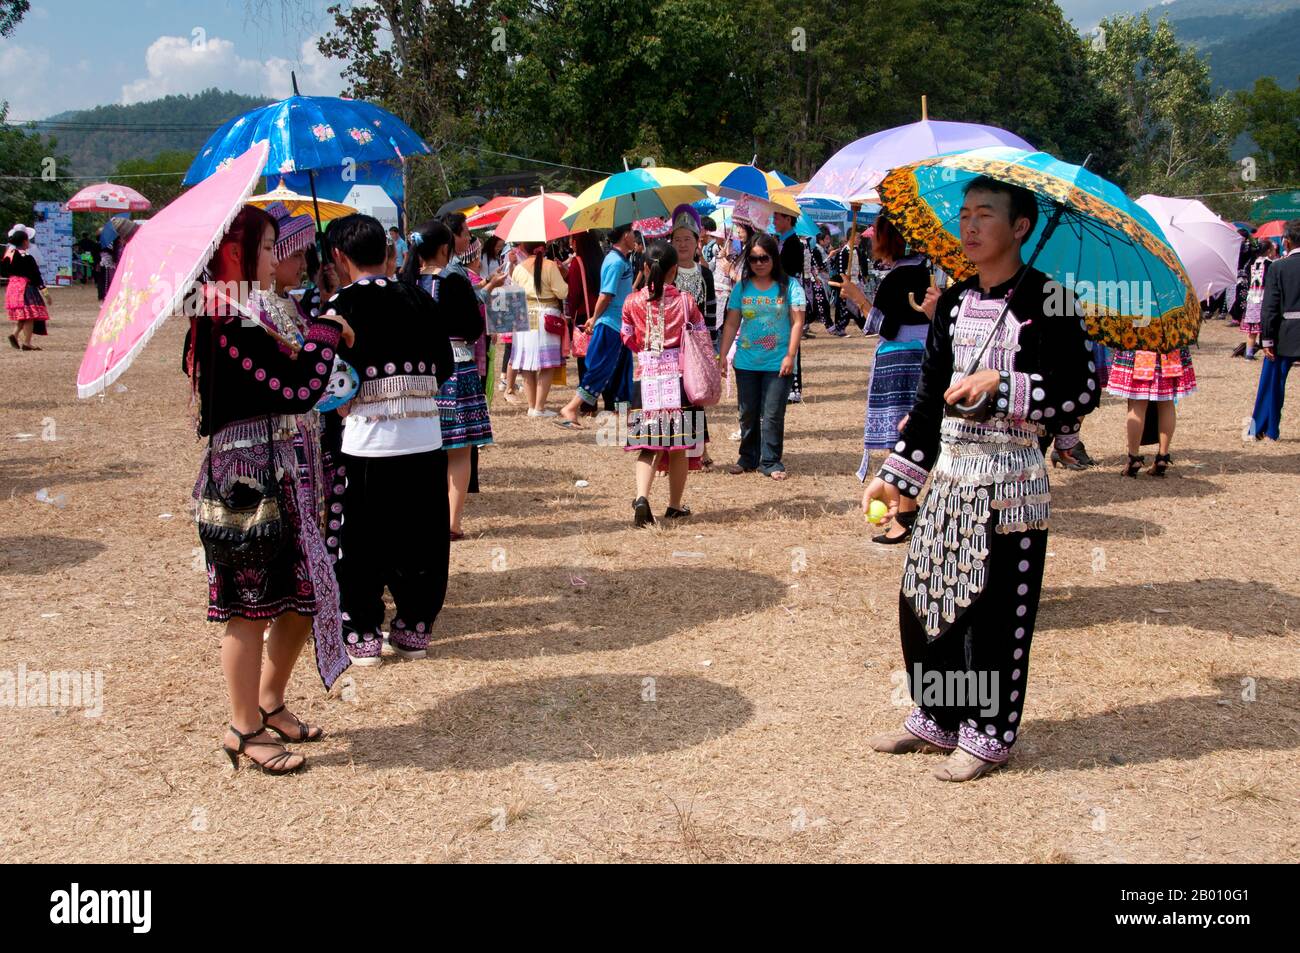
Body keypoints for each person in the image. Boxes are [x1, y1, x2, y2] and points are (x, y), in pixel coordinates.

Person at [862, 176, 1097, 781]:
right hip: (951, 477)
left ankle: (989, 733)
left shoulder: (1052, 301)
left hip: (1011, 482)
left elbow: (1080, 389)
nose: (969, 227)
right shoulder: (957, 300)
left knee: (996, 613)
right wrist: (898, 476)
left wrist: (1004, 386)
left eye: (985, 215)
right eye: (964, 215)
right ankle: (937, 715)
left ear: (1020, 227)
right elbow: (929, 397)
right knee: (926, 598)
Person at [184, 205, 353, 773]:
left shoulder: (252, 315)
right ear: (235, 251)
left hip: (286, 474)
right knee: (249, 607)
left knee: (304, 594)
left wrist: (319, 331)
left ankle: (269, 700)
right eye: (264, 247)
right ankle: (242, 726)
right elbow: (299, 387)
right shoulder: (227, 322)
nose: (275, 257)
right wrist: (329, 330)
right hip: (248, 483)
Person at [324, 214, 455, 665]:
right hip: (423, 438)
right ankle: (414, 627)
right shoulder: (420, 298)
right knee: (422, 537)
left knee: (360, 542)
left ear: (339, 257)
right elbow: (444, 366)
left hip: (367, 444)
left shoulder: (338, 307)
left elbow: (325, 380)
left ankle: (362, 631)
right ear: (388, 252)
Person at [835, 215, 933, 543]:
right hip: (922, 357)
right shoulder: (926, 270)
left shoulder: (900, 277)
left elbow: (886, 326)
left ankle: (903, 515)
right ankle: (906, 511)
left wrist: (858, 298)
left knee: (900, 436)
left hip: (900, 360)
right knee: (911, 433)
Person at [402, 220, 493, 539]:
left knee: (426, 449)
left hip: (417, 373)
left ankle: (427, 517)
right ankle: (452, 523)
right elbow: (472, 328)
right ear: (445, 248)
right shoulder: (455, 281)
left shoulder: (406, 284)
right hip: (456, 366)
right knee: (459, 449)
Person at [621, 239, 705, 526]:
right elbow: (700, 334)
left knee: (648, 445)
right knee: (679, 447)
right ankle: (674, 505)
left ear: (645, 267)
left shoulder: (632, 302)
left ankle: (642, 497)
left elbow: (627, 338)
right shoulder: (686, 301)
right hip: (681, 380)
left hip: (646, 379)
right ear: (674, 270)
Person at [717, 231, 805, 479]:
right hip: (746, 362)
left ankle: (770, 461)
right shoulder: (742, 288)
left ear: (774, 258)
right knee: (747, 413)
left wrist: (790, 355)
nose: (759, 264)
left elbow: (797, 322)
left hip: (778, 362)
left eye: (764, 258)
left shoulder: (790, 286)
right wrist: (722, 355)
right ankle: (747, 458)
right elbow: (732, 323)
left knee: (773, 413)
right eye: (753, 259)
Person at [559, 224, 637, 427]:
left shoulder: (621, 260)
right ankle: (571, 407)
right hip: (610, 324)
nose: (636, 237)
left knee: (622, 370)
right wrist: (594, 318)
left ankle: (623, 415)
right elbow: (606, 294)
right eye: (633, 233)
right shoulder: (614, 262)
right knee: (600, 369)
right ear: (625, 235)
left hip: (621, 326)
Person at [668, 204, 715, 468]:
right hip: (671, 345)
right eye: (677, 239)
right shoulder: (665, 270)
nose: (683, 244)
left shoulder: (705, 274)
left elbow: (710, 312)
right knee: (672, 398)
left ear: (697, 242)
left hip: (696, 345)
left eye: (687, 239)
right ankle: (669, 454)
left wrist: (711, 347)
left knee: (695, 395)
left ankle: (699, 451)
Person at [1249, 220, 1300, 441]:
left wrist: (1267, 340)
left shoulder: (1279, 267)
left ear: (1286, 242)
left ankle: (1266, 428)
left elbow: (1270, 307)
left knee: (1272, 383)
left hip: (1285, 335)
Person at [509, 241, 568, 417]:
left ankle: (531, 406)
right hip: (546, 315)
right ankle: (539, 407)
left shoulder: (519, 268)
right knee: (547, 364)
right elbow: (562, 292)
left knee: (527, 364)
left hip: (524, 315)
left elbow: (513, 293)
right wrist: (563, 275)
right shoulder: (550, 266)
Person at [773, 210, 809, 400]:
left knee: (792, 337)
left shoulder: (793, 242)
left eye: (777, 217)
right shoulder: (781, 241)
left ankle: (794, 387)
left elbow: (789, 270)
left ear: (788, 219)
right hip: (782, 291)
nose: (774, 221)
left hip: (790, 294)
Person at [3, 225, 49, 350]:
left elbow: (4, 271)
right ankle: (27, 343)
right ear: (24, 241)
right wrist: (45, 292)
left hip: (12, 287)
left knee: (23, 314)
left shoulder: (9, 255)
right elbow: (36, 276)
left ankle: (15, 334)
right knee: (30, 316)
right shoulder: (28, 258)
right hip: (26, 288)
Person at [1240, 242, 1277, 359]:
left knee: (1252, 330)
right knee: (1267, 327)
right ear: (1268, 251)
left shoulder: (1252, 262)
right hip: (1263, 298)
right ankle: (1271, 352)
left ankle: (1249, 354)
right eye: (1273, 250)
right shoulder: (1270, 264)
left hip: (1252, 298)